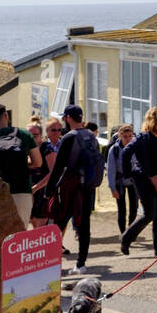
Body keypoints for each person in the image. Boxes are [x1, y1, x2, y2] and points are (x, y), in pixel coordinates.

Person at [44, 105, 100, 274]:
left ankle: (48, 264)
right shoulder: (90, 135)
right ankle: (81, 263)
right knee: (84, 224)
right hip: (88, 186)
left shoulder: (69, 138)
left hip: (71, 187)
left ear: (68, 118)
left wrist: (49, 189)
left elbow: (58, 167)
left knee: (58, 222)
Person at [120, 106, 157, 257]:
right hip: (145, 181)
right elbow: (125, 153)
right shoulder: (143, 137)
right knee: (149, 214)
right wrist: (129, 173)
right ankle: (126, 238)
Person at [0, 105, 42, 227]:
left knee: (1, 235)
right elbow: (38, 162)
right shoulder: (24, 134)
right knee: (20, 233)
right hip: (23, 191)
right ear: (6, 116)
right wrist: (22, 163)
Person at [106, 124, 140, 237]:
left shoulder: (136, 147)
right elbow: (111, 170)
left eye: (130, 136)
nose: (128, 139)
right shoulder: (114, 150)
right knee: (122, 209)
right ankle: (123, 233)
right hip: (119, 181)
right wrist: (112, 188)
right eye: (125, 136)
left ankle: (130, 230)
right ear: (120, 136)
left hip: (133, 181)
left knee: (134, 208)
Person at [30, 117, 63, 228]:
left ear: (41, 135)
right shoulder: (27, 149)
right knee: (34, 226)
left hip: (43, 192)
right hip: (31, 194)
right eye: (29, 136)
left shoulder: (46, 148)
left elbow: (53, 173)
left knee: (41, 228)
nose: (32, 138)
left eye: (35, 135)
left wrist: (35, 188)